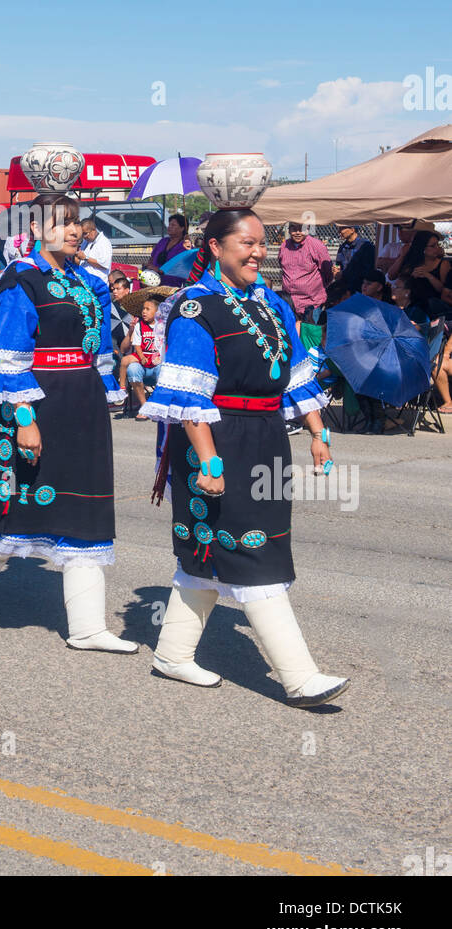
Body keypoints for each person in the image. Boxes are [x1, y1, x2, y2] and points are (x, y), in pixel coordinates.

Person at [140, 207, 348, 708]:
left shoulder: (272, 303)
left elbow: (298, 373)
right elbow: (189, 394)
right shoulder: (194, 307)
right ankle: (299, 678)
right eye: (246, 244)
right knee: (255, 556)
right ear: (214, 247)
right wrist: (209, 462)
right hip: (217, 439)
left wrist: (318, 433)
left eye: (262, 244)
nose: (258, 253)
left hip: (267, 436)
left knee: (212, 555)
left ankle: (172, 654)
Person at [0, 193, 137, 654]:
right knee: (17, 510)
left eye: (75, 223)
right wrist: (26, 420)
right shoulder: (20, 279)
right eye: (60, 224)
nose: (72, 231)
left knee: (84, 508)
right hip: (33, 404)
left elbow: (99, 346)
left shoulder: (87, 279)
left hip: (81, 404)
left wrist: (105, 393)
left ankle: (88, 626)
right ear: (33, 230)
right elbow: (9, 358)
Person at [278, 223, 333, 323]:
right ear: (289, 230)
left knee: (310, 335)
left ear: (307, 229)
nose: (298, 232)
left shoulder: (316, 246)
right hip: (290, 303)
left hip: (311, 303)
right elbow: (282, 267)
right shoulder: (284, 246)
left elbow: (327, 271)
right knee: (291, 335)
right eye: (294, 229)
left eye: (301, 229)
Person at [389, 231, 451, 316]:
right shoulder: (412, 262)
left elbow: (443, 291)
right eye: (433, 246)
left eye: (438, 244)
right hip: (410, 304)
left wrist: (428, 276)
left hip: (431, 307)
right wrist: (402, 256)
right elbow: (391, 276)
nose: (437, 248)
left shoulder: (443, 264)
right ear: (422, 248)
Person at [125, 293, 163, 414]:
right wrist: (141, 357)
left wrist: (162, 358)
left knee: (165, 369)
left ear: (157, 312)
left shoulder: (164, 326)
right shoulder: (139, 326)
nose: (144, 312)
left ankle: (157, 404)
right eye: (143, 309)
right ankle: (144, 406)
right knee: (132, 368)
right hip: (143, 365)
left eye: (148, 309)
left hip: (158, 366)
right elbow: (136, 344)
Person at [148, 213, 189, 285]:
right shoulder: (163, 241)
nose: (169, 227)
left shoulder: (185, 246)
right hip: (153, 281)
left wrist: (159, 270)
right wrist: (149, 266)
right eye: (169, 224)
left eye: (173, 225)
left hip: (173, 284)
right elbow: (152, 258)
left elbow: (180, 268)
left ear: (182, 228)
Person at [334, 225, 375, 293]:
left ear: (352, 230)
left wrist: (344, 274)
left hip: (359, 288)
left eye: (342, 228)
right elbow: (338, 264)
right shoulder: (343, 247)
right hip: (344, 286)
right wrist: (336, 271)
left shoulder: (365, 246)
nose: (339, 231)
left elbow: (368, 271)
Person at [75, 218, 112, 283]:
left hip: (97, 284)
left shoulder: (104, 243)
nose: (84, 237)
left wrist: (85, 258)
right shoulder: (86, 242)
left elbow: (104, 265)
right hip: (85, 281)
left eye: (85, 233)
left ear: (94, 230)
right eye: (82, 234)